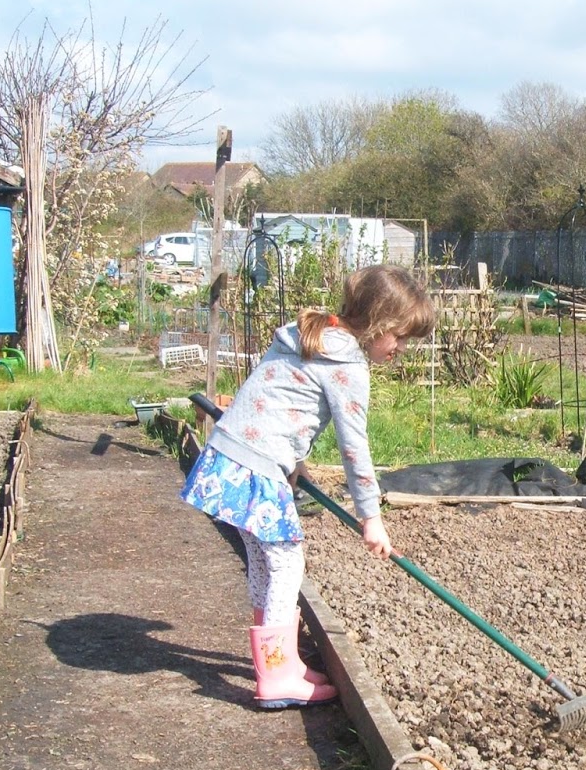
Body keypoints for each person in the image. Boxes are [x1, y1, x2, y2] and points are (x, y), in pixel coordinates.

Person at [180, 265, 435, 709]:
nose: (401, 348)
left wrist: (293, 461)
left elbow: (276, 400)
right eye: (400, 336)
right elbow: (355, 447)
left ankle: (278, 663)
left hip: (232, 457)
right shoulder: (347, 365)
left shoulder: (310, 336)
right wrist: (371, 517)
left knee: (265, 561)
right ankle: (276, 675)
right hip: (255, 469)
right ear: (378, 324)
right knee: (286, 562)